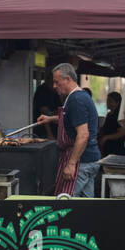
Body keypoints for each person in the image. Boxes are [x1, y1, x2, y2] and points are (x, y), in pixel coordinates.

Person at [36, 63, 101, 196]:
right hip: (88, 160)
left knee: (65, 203)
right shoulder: (78, 97)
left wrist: (71, 164)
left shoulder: (76, 100)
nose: (54, 86)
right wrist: (50, 119)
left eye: (56, 82)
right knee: (85, 206)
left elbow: (83, 135)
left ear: (68, 79)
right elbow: (72, 119)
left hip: (81, 163)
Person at [97, 90, 125, 157]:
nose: (108, 103)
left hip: (117, 149)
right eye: (107, 101)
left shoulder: (119, 116)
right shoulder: (109, 115)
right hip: (108, 149)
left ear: (117, 103)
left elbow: (121, 133)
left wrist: (106, 137)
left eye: (110, 101)